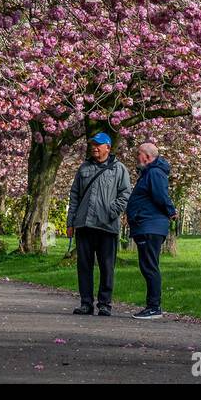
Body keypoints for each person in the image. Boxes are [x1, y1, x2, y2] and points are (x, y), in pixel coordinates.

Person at [66, 132, 131, 316]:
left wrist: (112, 211)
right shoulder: (84, 168)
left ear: (107, 147)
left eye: (98, 145)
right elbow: (74, 195)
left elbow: (125, 194)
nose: (94, 147)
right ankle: (86, 303)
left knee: (106, 266)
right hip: (84, 224)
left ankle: (105, 304)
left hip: (106, 226)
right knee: (84, 266)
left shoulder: (119, 169)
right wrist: (71, 222)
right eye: (92, 144)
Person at [126, 142, 177, 319]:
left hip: (150, 225)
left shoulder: (154, 173)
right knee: (148, 265)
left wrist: (171, 211)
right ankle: (153, 306)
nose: (136, 157)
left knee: (149, 266)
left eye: (138, 153)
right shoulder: (149, 173)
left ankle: (154, 307)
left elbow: (161, 196)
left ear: (147, 156)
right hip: (146, 224)